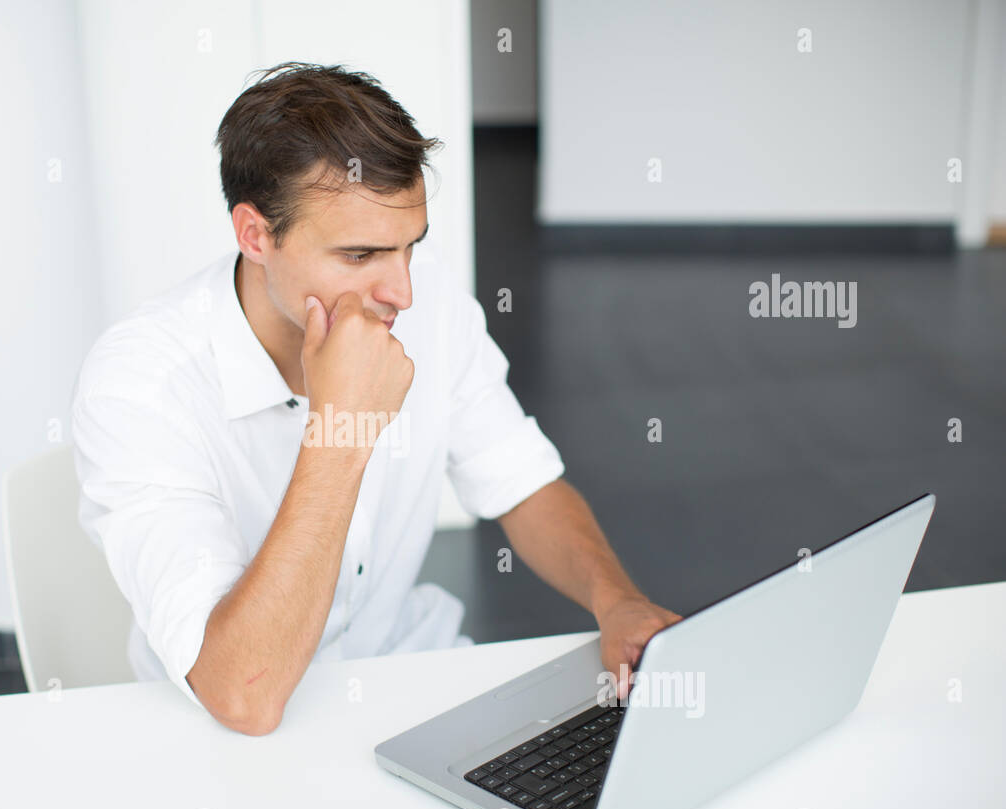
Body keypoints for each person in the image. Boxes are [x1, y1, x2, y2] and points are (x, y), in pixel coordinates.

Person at [71, 62, 681, 736]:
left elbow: (520, 481)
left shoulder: (431, 300)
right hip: (224, 734)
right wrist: (342, 430)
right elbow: (244, 696)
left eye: (409, 248)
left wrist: (615, 599)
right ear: (255, 235)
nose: (403, 293)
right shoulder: (140, 384)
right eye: (359, 255)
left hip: (405, 677)